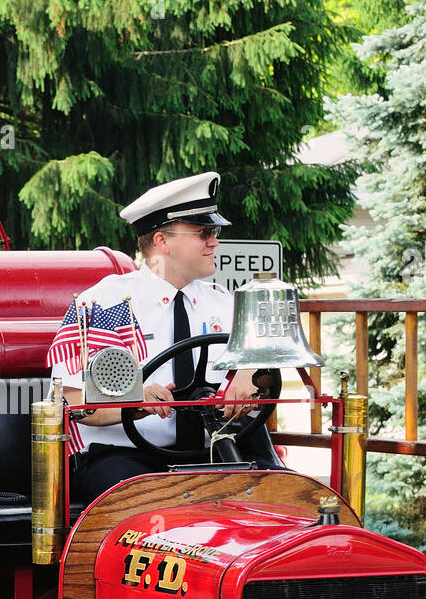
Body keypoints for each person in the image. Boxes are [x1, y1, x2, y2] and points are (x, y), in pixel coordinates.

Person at [49, 172, 266, 504]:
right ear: (162, 242)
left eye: (215, 232)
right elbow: (75, 403)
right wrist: (136, 402)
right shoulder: (103, 304)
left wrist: (252, 373)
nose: (215, 243)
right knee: (157, 507)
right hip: (122, 458)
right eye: (204, 232)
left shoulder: (225, 304)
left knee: (285, 499)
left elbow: (267, 369)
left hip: (212, 453)